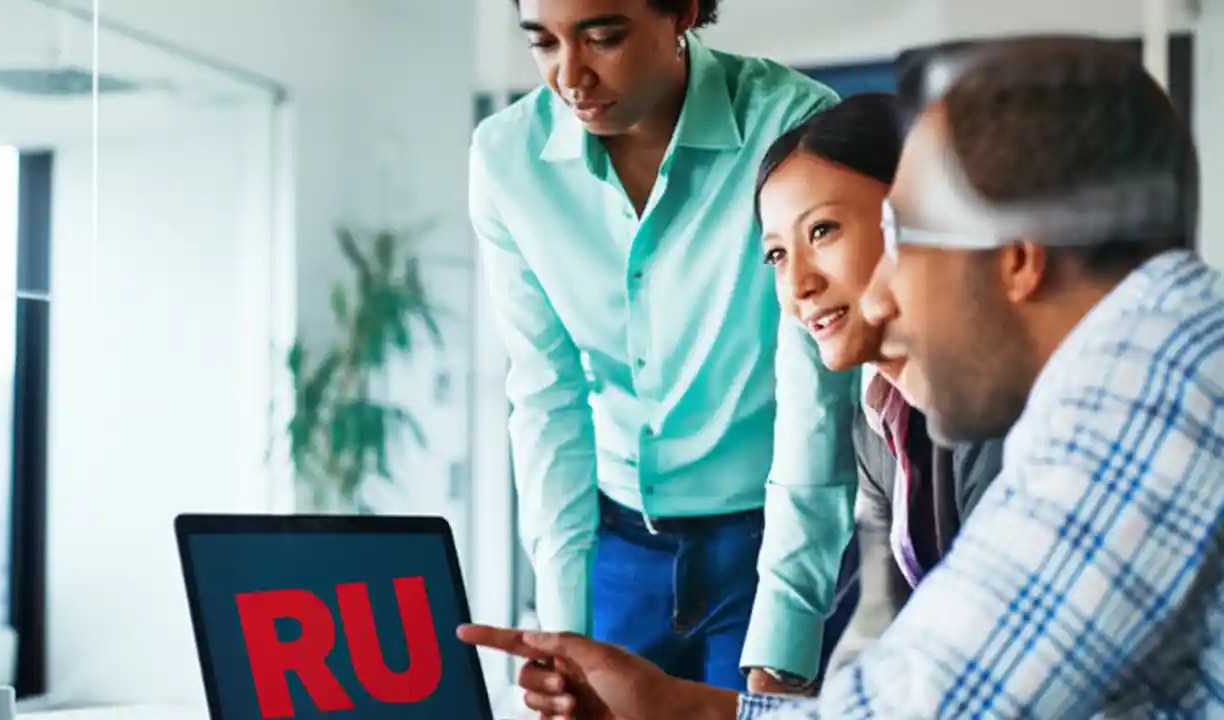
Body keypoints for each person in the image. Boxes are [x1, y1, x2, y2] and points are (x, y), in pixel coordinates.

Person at [460, 35, 1224, 719]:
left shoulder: (1146, 390)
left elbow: (929, 703)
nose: (881, 295)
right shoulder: (1155, 352)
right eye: (775, 255)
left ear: (1018, 257)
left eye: (908, 240)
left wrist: (691, 711)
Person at [470, 0, 859, 693]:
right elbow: (545, 395)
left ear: (680, 12)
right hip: (614, 543)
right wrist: (563, 631)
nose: (571, 76)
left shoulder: (791, 122)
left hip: (771, 540)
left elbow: (816, 403)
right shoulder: (506, 158)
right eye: (543, 43)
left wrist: (786, 634)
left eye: (603, 37)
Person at [750, 93, 1003, 673]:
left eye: (823, 231)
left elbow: (987, 659)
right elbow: (888, 627)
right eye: (776, 256)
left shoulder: (992, 405)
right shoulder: (879, 419)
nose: (799, 285)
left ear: (914, 216)